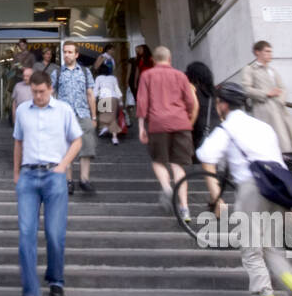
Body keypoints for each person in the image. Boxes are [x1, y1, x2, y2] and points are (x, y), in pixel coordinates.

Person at [196, 82, 292, 296]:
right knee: (273, 250)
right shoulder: (264, 127)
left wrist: (216, 198)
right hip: (278, 189)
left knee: (252, 252)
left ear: (222, 104)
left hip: (251, 190)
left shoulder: (227, 128)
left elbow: (205, 155)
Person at [12, 71, 82, 296]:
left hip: (54, 175)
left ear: (51, 88)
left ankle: (55, 279)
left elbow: (77, 140)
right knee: (26, 234)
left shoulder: (63, 110)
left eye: (42, 91)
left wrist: (63, 166)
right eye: (34, 92)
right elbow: (18, 141)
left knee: (54, 233)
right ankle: (31, 290)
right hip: (28, 176)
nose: (38, 96)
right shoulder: (22, 111)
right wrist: (16, 174)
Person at [137, 46, 200, 221]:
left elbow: (142, 102)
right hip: (180, 123)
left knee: (158, 161)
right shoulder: (181, 76)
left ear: (153, 60)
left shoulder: (147, 75)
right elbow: (190, 101)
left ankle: (166, 188)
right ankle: (185, 207)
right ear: (170, 58)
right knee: (178, 166)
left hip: (158, 124)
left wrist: (142, 126)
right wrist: (185, 117)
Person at [52, 41, 98, 195]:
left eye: (70, 52)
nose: (67, 54)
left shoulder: (85, 72)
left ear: (77, 54)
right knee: (66, 149)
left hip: (83, 114)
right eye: (65, 52)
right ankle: (68, 181)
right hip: (64, 117)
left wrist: (94, 116)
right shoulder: (57, 73)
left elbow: (90, 95)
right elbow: (52, 95)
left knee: (87, 147)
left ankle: (84, 179)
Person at [242, 41, 292, 160]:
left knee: (285, 141)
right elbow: (246, 89)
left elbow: (282, 88)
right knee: (271, 141)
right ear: (257, 52)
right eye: (267, 51)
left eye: (270, 51)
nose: (270, 54)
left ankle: (288, 165)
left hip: (279, 110)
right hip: (263, 111)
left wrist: (280, 100)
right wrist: (266, 93)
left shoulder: (272, 71)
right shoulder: (250, 69)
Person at [186, 61, 220, 152]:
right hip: (217, 127)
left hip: (199, 128)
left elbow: (192, 109)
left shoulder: (192, 89)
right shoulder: (214, 92)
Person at [94, 64, 124, 144]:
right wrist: (120, 101)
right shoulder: (113, 78)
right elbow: (117, 90)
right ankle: (114, 138)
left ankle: (105, 127)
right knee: (112, 118)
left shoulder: (98, 78)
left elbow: (95, 91)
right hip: (113, 98)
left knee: (103, 116)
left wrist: (93, 100)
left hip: (103, 98)